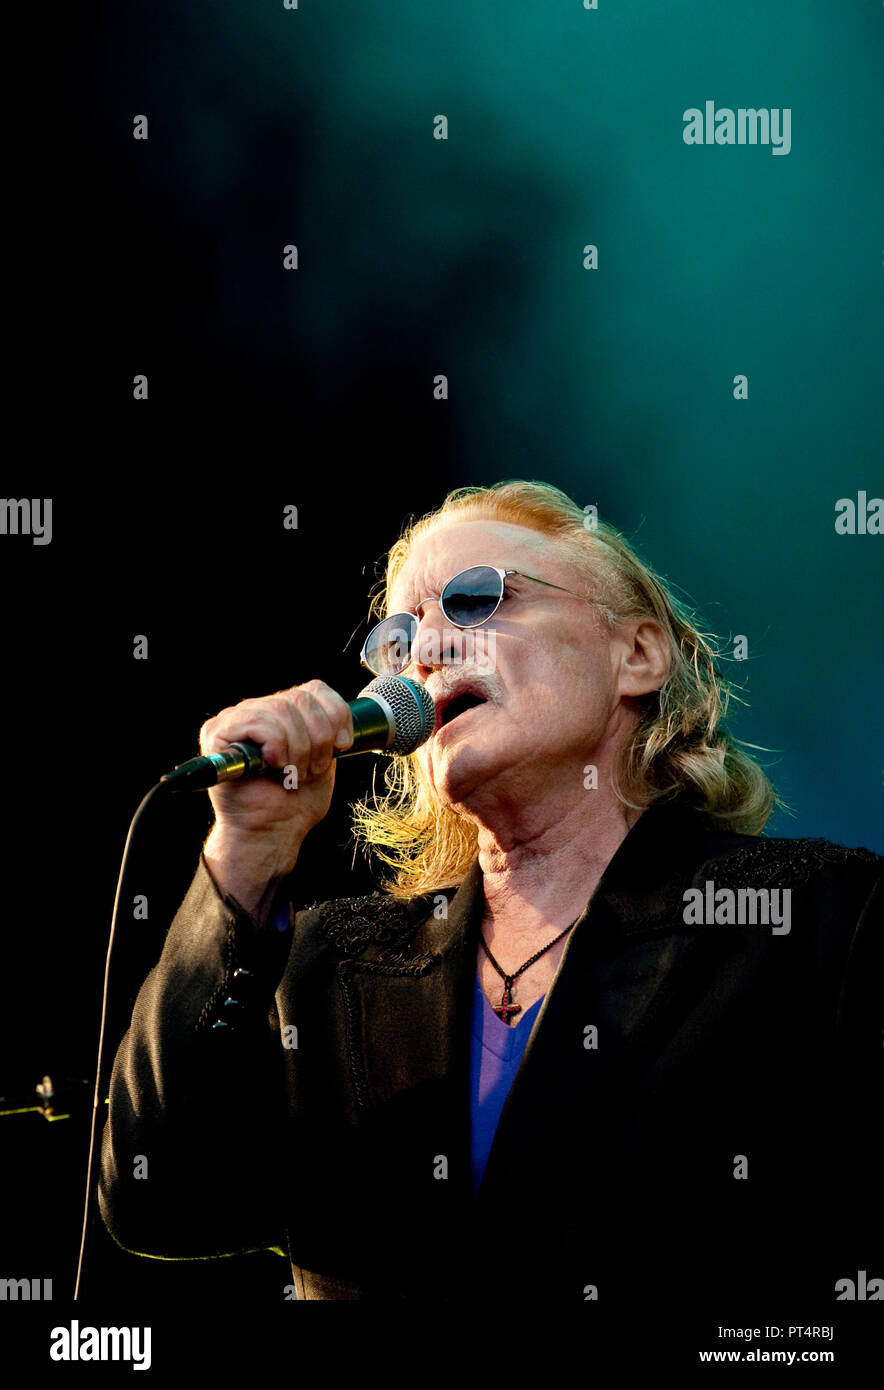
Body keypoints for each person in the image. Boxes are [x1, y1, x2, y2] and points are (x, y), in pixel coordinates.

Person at [99, 480, 881, 1309]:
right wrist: (248, 853)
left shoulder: (821, 919)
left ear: (638, 655)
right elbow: (159, 1197)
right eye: (395, 642)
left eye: (475, 600)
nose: (426, 649)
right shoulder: (331, 965)